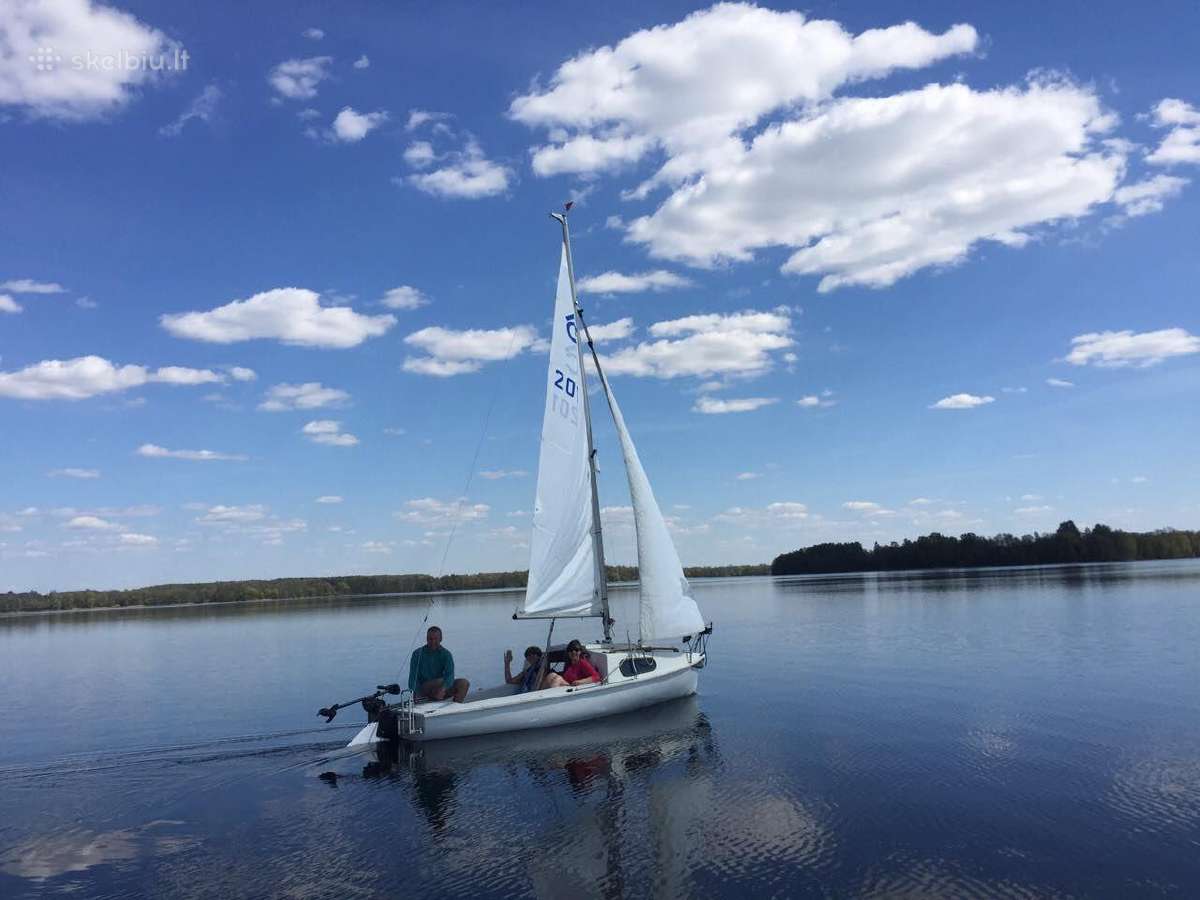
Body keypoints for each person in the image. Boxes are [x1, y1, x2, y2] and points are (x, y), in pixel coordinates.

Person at [408, 625, 470, 702]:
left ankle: (455, 707)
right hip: (424, 689)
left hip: (440, 688)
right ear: (427, 639)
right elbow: (412, 678)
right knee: (440, 681)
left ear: (441, 639)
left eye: (435, 639)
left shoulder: (446, 654)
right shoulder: (417, 654)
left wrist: (443, 689)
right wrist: (416, 692)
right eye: (430, 639)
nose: (433, 642)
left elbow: (450, 675)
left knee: (464, 683)